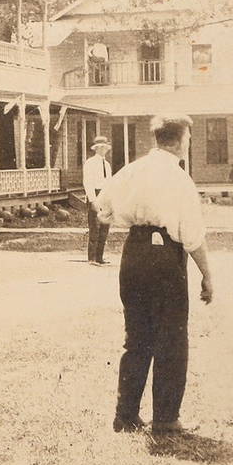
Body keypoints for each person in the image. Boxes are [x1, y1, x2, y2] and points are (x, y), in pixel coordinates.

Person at [95, 114, 214, 437]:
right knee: (171, 339)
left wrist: (135, 219)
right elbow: (192, 235)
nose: (188, 143)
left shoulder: (131, 170)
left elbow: (102, 209)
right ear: (179, 140)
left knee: (136, 338)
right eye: (188, 138)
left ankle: (126, 416)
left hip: (133, 253)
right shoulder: (179, 178)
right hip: (164, 258)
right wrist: (207, 275)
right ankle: (166, 418)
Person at [82, 136, 114, 265]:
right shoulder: (90, 163)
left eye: (105, 147)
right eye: (101, 147)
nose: (104, 150)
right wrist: (92, 200)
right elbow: (88, 182)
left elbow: (109, 183)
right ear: (96, 148)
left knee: (104, 226)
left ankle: (100, 257)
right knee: (94, 227)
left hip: (105, 195)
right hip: (95, 194)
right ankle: (92, 258)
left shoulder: (107, 164)